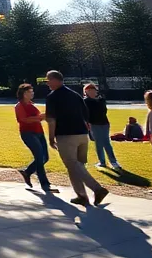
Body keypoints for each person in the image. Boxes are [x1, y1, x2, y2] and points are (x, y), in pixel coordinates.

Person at [44, 70, 108, 207]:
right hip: (82, 134)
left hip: (66, 135)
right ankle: (81, 196)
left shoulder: (52, 97)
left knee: (73, 164)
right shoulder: (75, 95)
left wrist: (50, 138)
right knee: (76, 166)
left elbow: (51, 120)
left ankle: (97, 189)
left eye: (48, 80)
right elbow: (86, 114)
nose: (47, 83)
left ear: (55, 80)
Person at [15, 83, 57, 194]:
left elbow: (37, 119)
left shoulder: (31, 104)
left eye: (32, 91)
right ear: (24, 94)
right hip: (28, 133)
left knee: (45, 158)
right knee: (39, 157)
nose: (32, 93)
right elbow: (23, 120)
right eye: (30, 92)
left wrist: (44, 117)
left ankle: (27, 172)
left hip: (39, 132)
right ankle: (45, 184)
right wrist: (39, 117)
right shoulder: (19, 106)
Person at [83, 83, 122, 170]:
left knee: (106, 143)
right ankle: (103, 162)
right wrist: (87, 123)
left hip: (104, 123)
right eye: (89, 91)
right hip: (94, 124)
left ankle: (113, 162)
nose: (92, 92)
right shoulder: (86, 101)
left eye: (93, 90)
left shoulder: (100, 100)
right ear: (86, 92)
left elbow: (103, 111)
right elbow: (86, 114)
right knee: (99, 143)